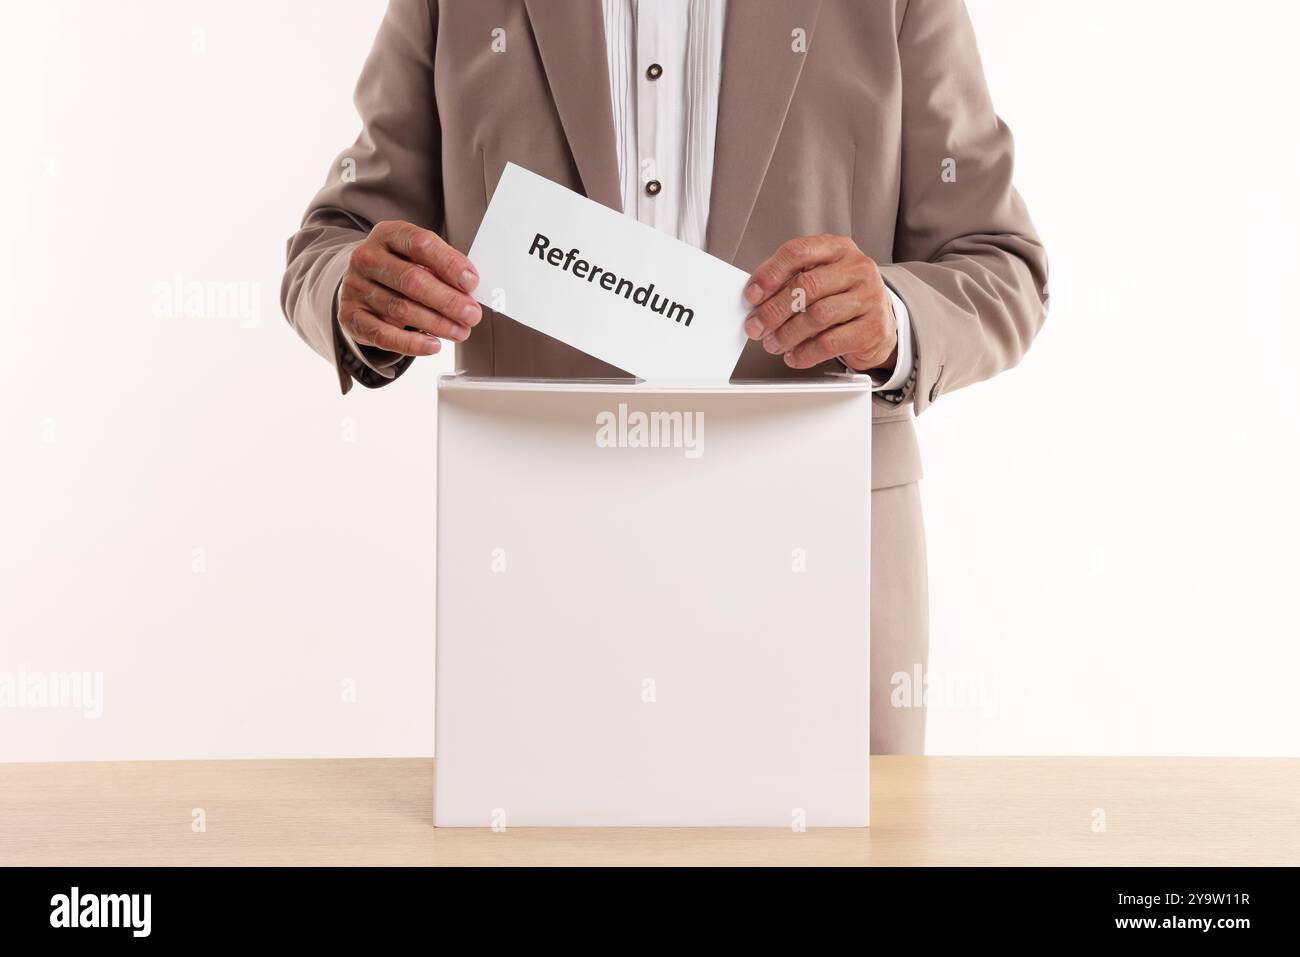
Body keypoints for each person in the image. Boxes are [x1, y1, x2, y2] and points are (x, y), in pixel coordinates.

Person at [281, 0, 1049, 754]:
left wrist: (891, 315)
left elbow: (1001, 264)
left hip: (822, 565)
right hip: (538, 566)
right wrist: (357, 290)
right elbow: (334, 238)